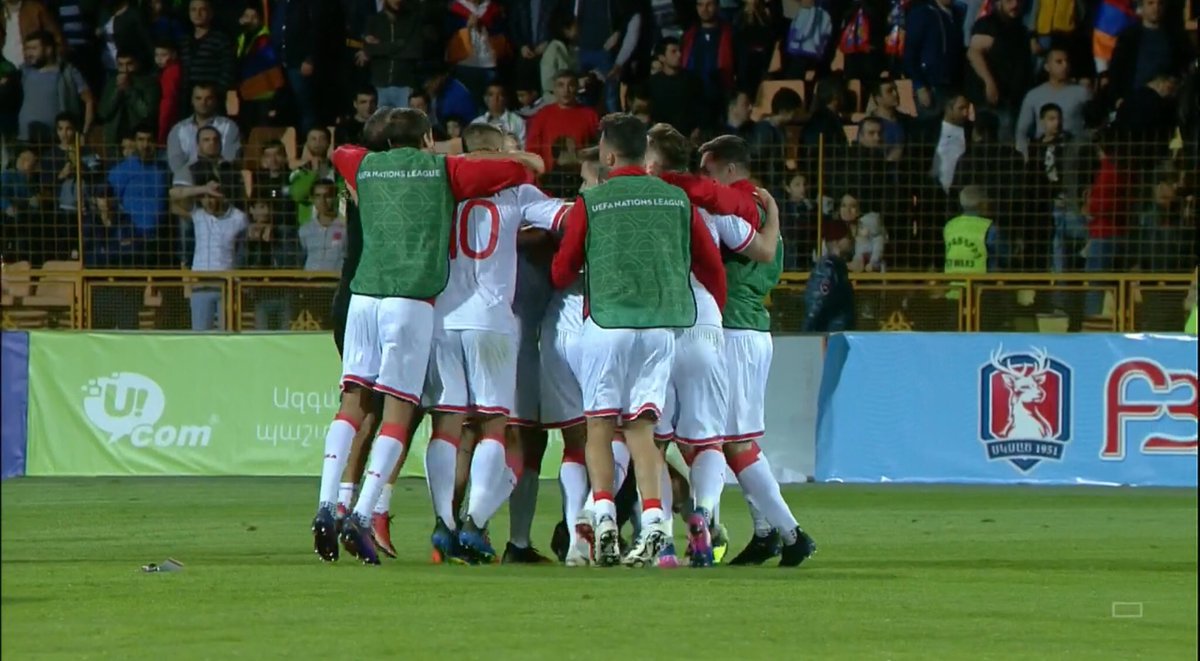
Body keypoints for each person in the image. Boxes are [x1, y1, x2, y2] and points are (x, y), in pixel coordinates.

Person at [311, 107, 536, 565]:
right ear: (429, 138)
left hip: (362, 299)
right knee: (398, 411)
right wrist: (464, 153)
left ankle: (328, 502)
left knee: (351, 403)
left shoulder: (365, 165)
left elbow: (340, 151)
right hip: (410, 302)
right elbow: (517, 168)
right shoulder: (444, 170)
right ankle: (364, 511)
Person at [550, 113, 727, 567]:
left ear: (608, 155)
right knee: (642, 430)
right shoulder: (676, 199)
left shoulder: (594, 202)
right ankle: (654, 526)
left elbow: (562, 269)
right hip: (661, 327)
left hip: (607, 324)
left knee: (599, 426)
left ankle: (604, 518)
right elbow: (710, 266)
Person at [644, 125, 781, 568]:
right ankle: (709, 520)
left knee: (653, 440)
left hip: (662, 325)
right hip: (712, 325)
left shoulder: (637, 198)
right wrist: (774, 214)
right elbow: (762, 249)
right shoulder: (718, 207)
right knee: (713, 443)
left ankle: (660, 537)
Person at [422, 123, 558, 565]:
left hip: (441, 319)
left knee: (447, 425)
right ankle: (475, 525)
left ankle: (443, 523)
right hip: (492, 322)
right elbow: (565, 217)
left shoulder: (440, 186)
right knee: (495, 426)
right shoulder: (517, 192)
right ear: (499, 152)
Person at [696, 134, 817, 568]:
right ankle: (766, 533)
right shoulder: (764, 208)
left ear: (730, 170)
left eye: (708, 171)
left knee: (734, 442)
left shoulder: (735, 206)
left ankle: (791, 533)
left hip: (734, 330)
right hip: (747, 328)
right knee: (731, 440)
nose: (703, 181)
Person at [803, 220, 855, 332]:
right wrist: (807, 332)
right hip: (829, 334)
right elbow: (817, 300)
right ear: (837, 241)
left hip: (837, 332)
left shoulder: (838, 267)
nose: (852, 241)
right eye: (847, 237)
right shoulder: (828, 268)